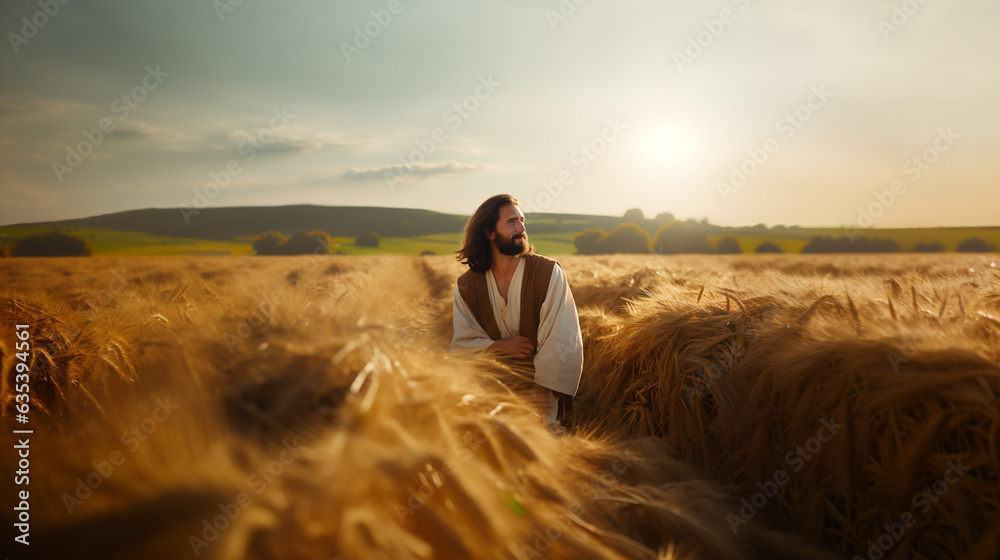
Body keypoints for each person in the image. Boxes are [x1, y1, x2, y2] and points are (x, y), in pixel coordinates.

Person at [451, 194, 584, 428]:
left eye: (522, 220)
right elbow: (462, 344)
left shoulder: (548, 273)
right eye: (512, 221)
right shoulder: (467, 286)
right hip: (489, 392)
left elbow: (561, 339)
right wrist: (497, 346)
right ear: (489, 233)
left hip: (540, 390)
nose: (522, 227)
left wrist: (541, 399)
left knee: (546, 448)